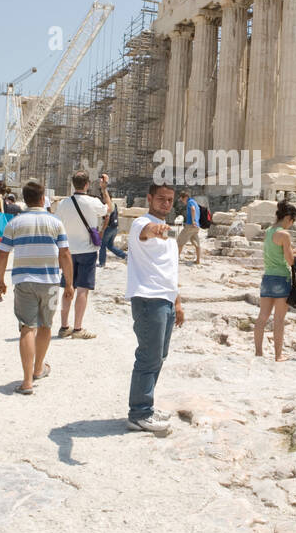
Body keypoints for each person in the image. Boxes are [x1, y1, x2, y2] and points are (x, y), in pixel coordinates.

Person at [0, 179, 72, 395]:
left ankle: (27, 382)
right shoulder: (56, 223)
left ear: (24, 200)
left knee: (27, 327)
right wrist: (70, 283)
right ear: (43, 198)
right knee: (46, 325)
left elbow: (2, 253)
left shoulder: (14, 223)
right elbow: (64, 254)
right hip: (51, 282)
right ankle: (38, 368)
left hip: (24, 281)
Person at [124, 181, 183, 435]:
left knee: (159, 356)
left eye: (170, 200)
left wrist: (178, 303)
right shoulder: (142, 223)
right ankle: (138, 414)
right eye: (161, 199)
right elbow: (146, 231)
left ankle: (145, 407)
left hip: (166, 300)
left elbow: (169, 271)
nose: (166, 204)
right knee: (148, 357)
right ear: (149, 198)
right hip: (148, 300)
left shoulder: (169, 235)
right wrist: (155, 229)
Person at [54, 170, 111, 340]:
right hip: (87, 251)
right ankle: (78, 329)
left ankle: (64, 327)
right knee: (83, 291)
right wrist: (104, 189)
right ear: (87, 184)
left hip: (68, 251)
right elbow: (109, 209)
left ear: (73, 184)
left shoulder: (64, 204)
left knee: (67, 288)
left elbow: (57, 224)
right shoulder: (93, 202)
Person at [253, 201, 296, 361]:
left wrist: (292, 250)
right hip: (281, 278)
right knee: (279, 319)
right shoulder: (285, 234)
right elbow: (291, 261)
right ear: (287, 218)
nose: (291, 225)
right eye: (292, 221)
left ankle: (258, 353)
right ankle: (278, 355)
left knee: (262, 317)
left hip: (267, 278)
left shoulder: (269, 231)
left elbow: (277, 252)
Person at [97, 174, 126, 267]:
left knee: (102, 245)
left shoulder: (108, 206)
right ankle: (125, 256)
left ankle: (102, 263)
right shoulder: (114, 204)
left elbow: (107, 218)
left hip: (109, 228)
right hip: (115, 228)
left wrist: (102, 230)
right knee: (110, 246)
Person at [177, 190, 204, 265]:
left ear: (185, 197)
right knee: (197, 244)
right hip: (196, 227)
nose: (182, 201)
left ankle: (175, 259)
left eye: (182, 199)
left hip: (190, 225)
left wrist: (193, 221)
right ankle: (198, 260)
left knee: (179, 241)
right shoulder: (195, 202)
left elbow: (193, 209)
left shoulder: (190, 202)